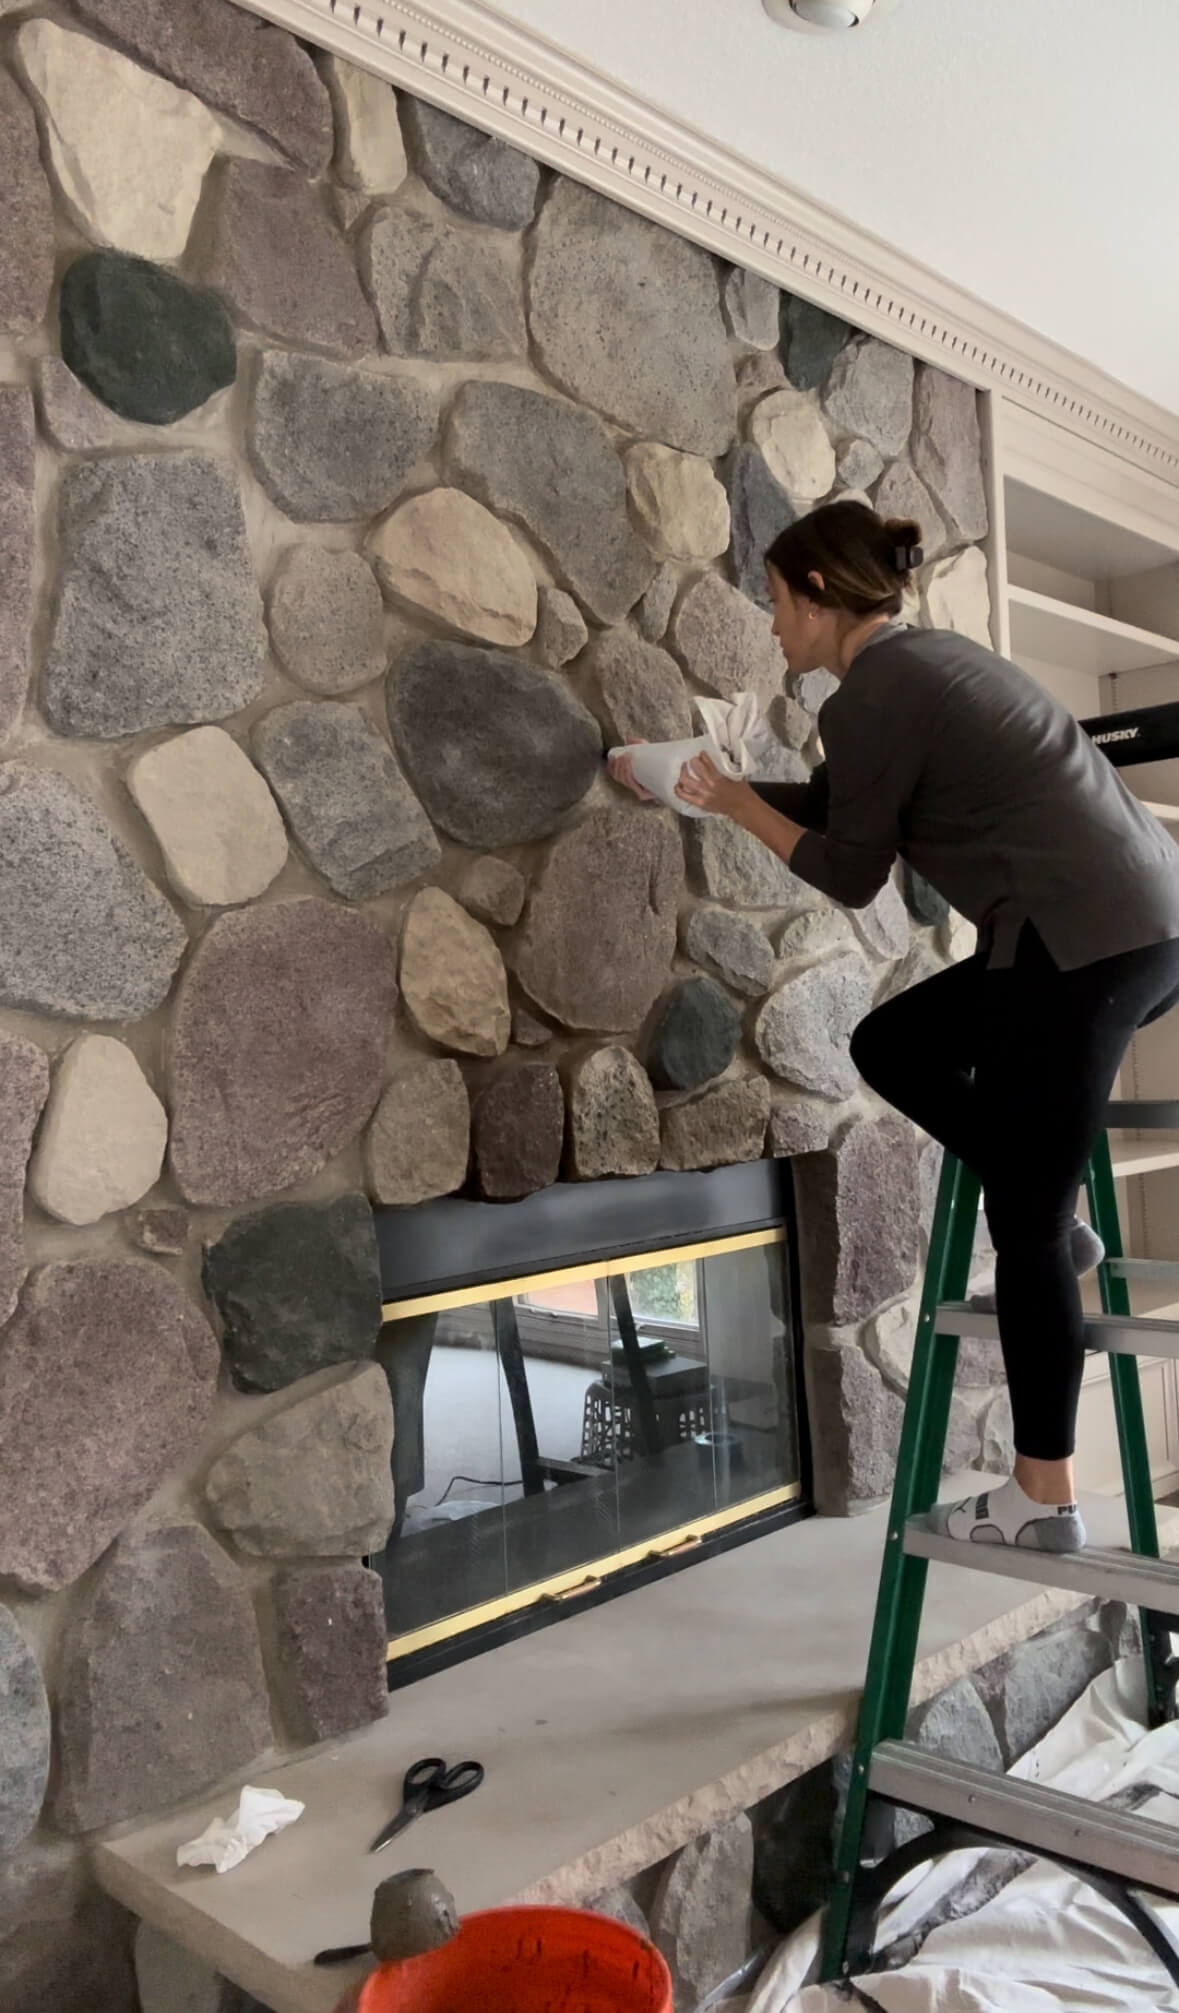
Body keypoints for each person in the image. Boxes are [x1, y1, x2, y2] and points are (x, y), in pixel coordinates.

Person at [610, 499, 1179, 1553]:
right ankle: (1041, 1191)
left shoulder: (873, 694)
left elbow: (846, 869)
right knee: (896, 1043)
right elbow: (840, 805)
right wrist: (698, 786)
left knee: (1029, 1229)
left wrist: (734, 809)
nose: (774, 627)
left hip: (1079, 938)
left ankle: (1045, 1500)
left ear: (819, 595)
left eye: (777, 602)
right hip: (1130, 926)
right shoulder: (922, 671)